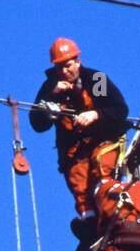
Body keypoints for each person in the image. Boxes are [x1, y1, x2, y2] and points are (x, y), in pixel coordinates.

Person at [29, 38, 129, 236]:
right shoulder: (50, 87)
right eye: (59, 68)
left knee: (102, 172)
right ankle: (89, 222)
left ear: (77, 62)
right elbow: (37, 124)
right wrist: (52, 98)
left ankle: (113, 213)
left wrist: (96, 115)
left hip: (104, 142)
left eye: (68, 66)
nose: (64, 71)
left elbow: (119, 109)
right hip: (75, 151)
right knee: (79, 183)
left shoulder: (96, 79)